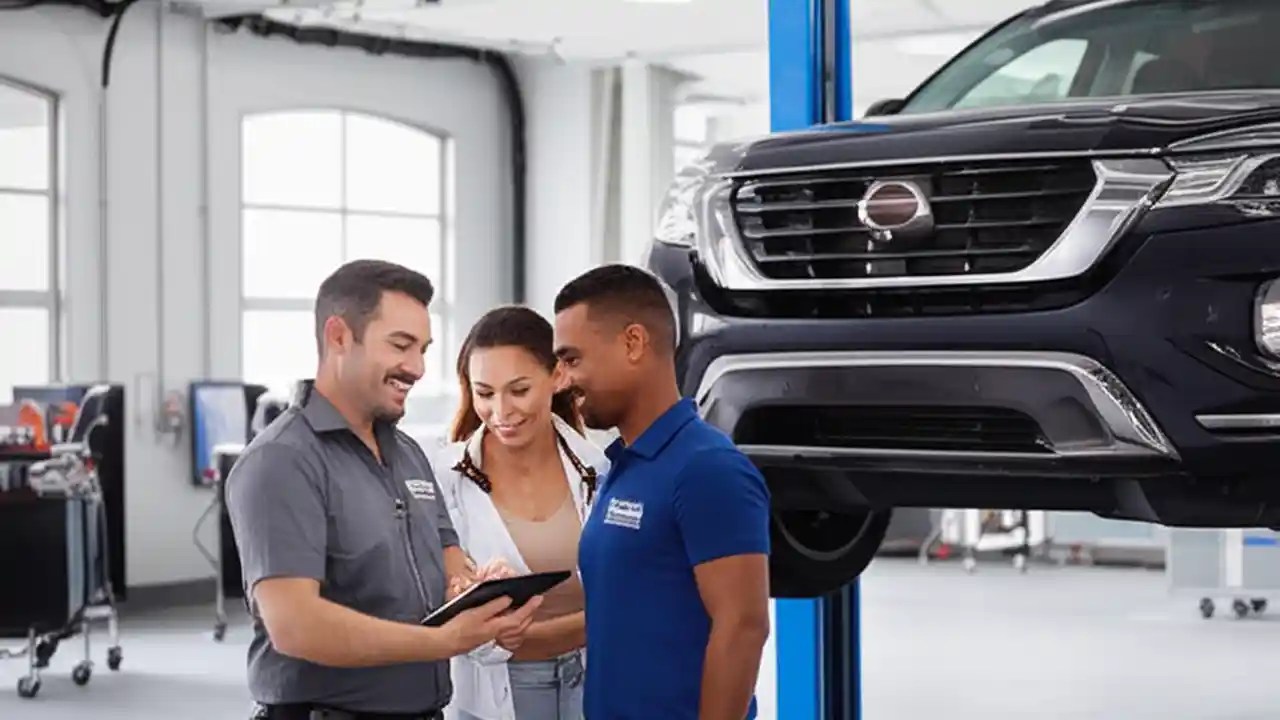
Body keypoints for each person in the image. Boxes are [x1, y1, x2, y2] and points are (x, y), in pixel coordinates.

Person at [225, 259, 542, 720]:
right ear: (338, 337)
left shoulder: (409, 454)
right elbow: (296, 626)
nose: (416, 367)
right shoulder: (282, 460)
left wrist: (483, 600)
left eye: (424, 349)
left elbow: (450, 563)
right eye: (400, 345)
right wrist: (443, 642)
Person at [552, 264, 772, 720]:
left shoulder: (707, 468)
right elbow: (623, 611)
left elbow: (743, 627)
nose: (563, 379)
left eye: (572, 359)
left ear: (633, 343)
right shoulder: (622, 466)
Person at [433, 305, 609, 720]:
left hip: (594, 679)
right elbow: (463, 628)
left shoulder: (601, 469)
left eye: (518, 389)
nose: (501, 411)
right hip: (499, 693)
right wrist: (603, 621)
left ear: (557, 376)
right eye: (484, 393)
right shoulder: (444, 477)